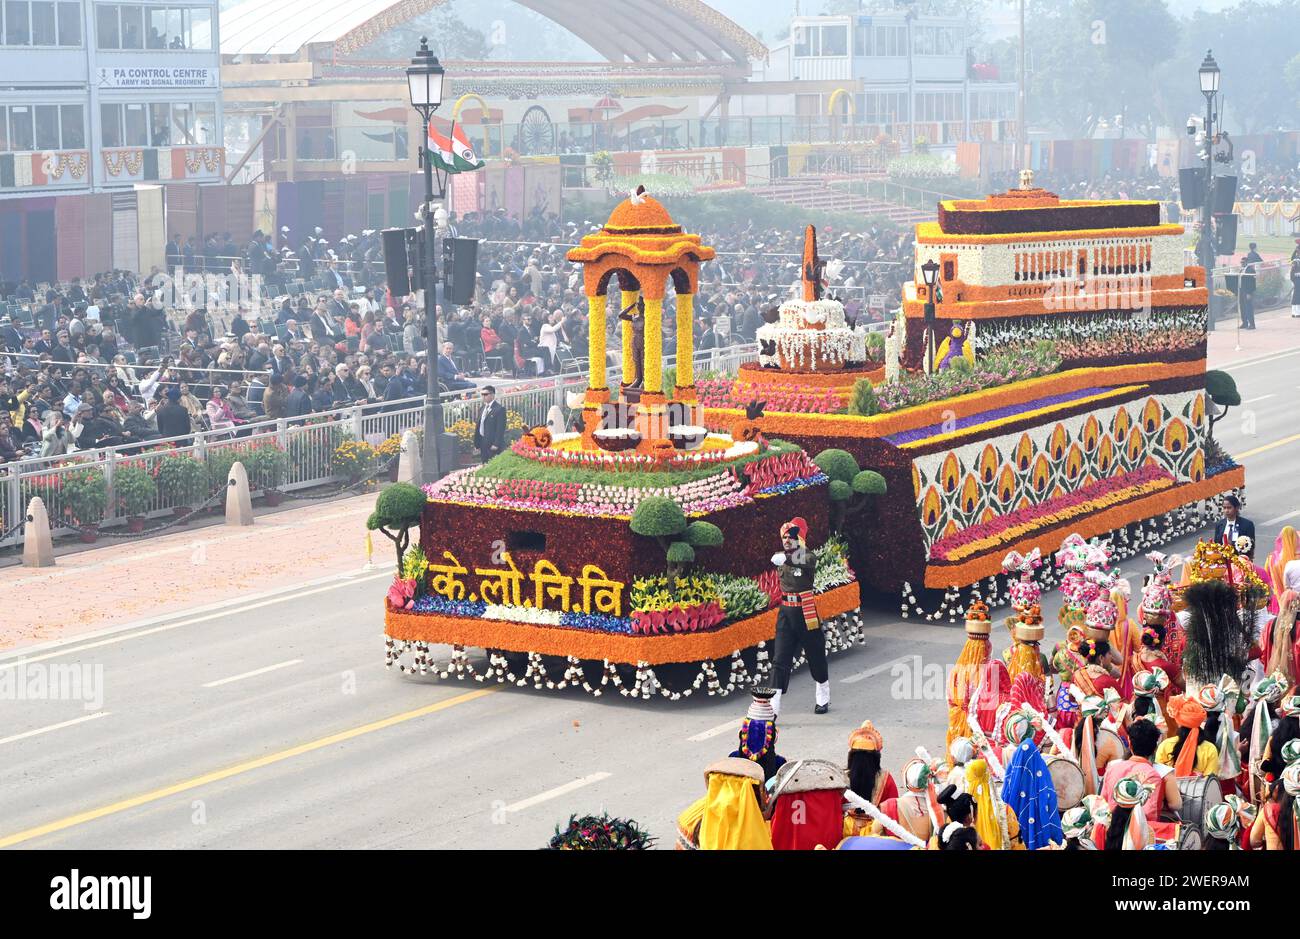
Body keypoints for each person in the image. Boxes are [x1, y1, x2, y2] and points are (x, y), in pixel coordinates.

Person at [768, 517, 830, 715]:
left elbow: (809, 560)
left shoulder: (806, 556)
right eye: (784, 537)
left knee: (815, 653)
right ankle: (773, 706)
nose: (787, 541)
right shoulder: (781, 558)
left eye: (791, 537)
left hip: (806, 611)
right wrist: (784, 557)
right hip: (786, 611)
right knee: (780, 658)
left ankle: (823, 694)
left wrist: (787, 558)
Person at [843, 720, 899, 837]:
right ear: (876, 758)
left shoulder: (841, 777)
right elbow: (893, 810)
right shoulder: (886, 779)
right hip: (875, 834)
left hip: (845, 832)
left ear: (852, 757)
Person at [473, 385, 506, 464]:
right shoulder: (482, 408)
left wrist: (496, 444)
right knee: (484, 463)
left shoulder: (499, 409)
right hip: (483, 441)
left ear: (492, 395)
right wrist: (477, 444)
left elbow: (500, 428)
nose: (483, 397)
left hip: (492, 443)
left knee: (492, 463)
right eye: (482, 394)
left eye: (486, 394)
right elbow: (479, 425)